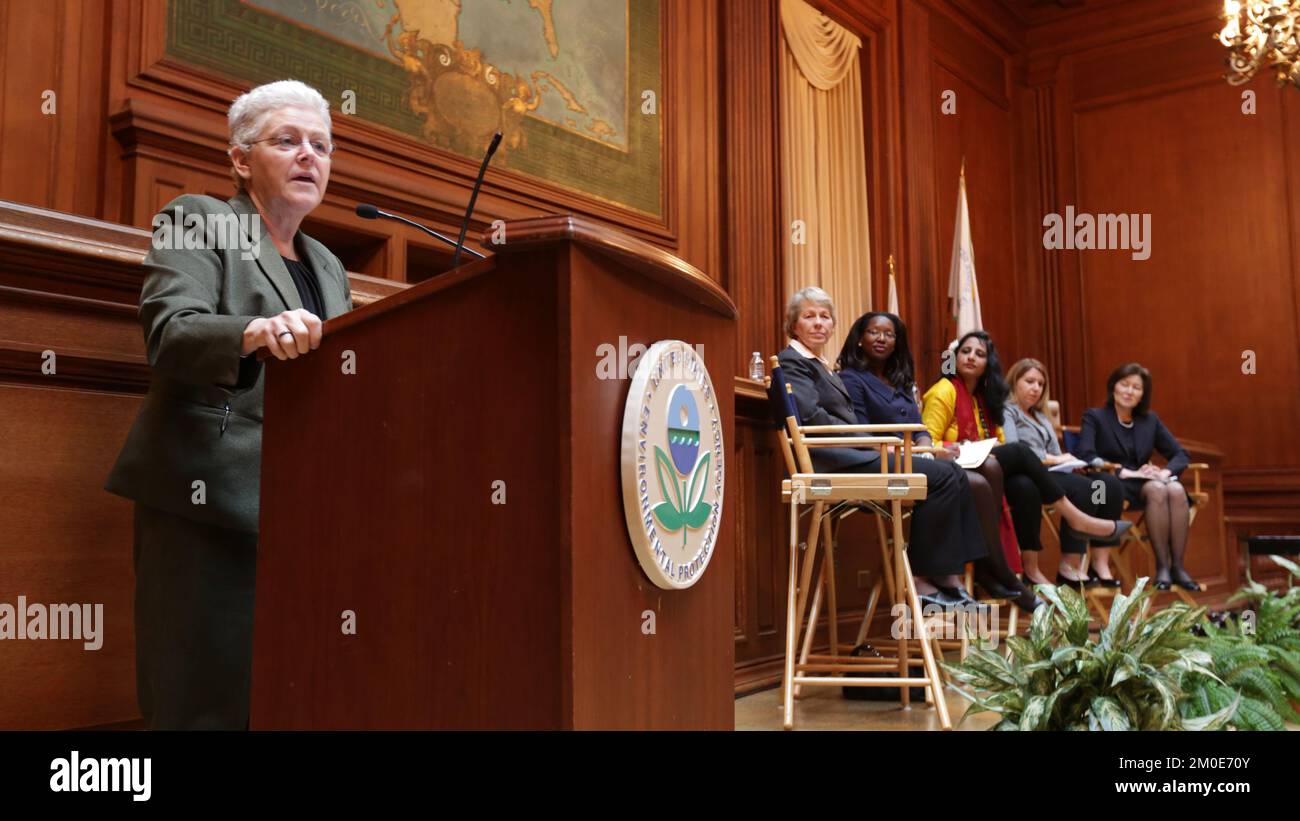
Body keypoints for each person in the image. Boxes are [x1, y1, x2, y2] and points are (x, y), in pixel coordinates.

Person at [104, 80, 353, 729]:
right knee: (203, 703)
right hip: (209, 504)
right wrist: (255, 332)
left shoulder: (327, 263)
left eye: (321, 145)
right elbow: (170, 332)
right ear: (241, 159)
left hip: (308, 513)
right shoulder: (198, 219)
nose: (309, 156)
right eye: (288, 140)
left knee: (288, 694)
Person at [776, 289, 991, 611]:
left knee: (951, 473)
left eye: (824, 316)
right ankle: (923, 578)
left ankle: (949, 576)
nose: (818, 323)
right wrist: (870, 441)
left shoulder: (819, 364)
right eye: (809, 316)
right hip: (830, 462)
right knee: (944, 475)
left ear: (834, 325)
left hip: (852, 454)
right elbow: (812, 417)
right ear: (793, 325)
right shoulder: (793, 361)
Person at [836, 311, 1038, 611]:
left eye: (889, 334)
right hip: (879, 461)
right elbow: (860, 432)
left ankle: (973, 574)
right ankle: (950, 574)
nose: (881, 339)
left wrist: (927, 448)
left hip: (915, 459)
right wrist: (918, 453)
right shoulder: (851, 379)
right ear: (860, 338)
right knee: (957, 476)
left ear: (897, 341)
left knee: (980, 482)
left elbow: (920, 429)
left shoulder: (900, 381)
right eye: (874, 332)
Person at [921, 331, 1131, 591]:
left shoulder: (986, 398)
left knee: (1089, 485)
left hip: (995, 468)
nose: (972, 357)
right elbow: (926, 445)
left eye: (980, 354)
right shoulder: (944, 391)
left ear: (989, 363)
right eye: (965, 352)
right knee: (1022, 453)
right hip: (952, 465)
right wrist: (963, 447)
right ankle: (1075, 521)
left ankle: (1055, 568)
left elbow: (996, 440)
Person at [1002, 358, 1124, 588]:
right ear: (1014, 382)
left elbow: (1056, 453)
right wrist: (1057, 459)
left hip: (1054, 474)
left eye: (1040, 383)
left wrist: (1071, 462)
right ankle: (1070, 563)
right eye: (1029, 381)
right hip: (1028, 476)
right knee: (1084, 488)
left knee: (1106, 486)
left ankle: (1097, 560)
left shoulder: (1041, 416)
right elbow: (1013, 448)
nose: (1036, 388)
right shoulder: (1008, 411)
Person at [1076, 363, 1195, 591]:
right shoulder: (1095, 417)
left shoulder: (1150, 421)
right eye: (1125, 385)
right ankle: (1161, 567)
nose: (1129, 391)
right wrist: (1128, 472)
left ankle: (1177, 567)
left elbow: (1180, 454)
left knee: (1176, 489)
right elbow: (1086, 455)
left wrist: (1164, 472)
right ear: (1113, 387)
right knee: (1159, 489)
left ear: (1143, 394)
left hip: (1144, 484)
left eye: (1136, 387)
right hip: (1111, 483)